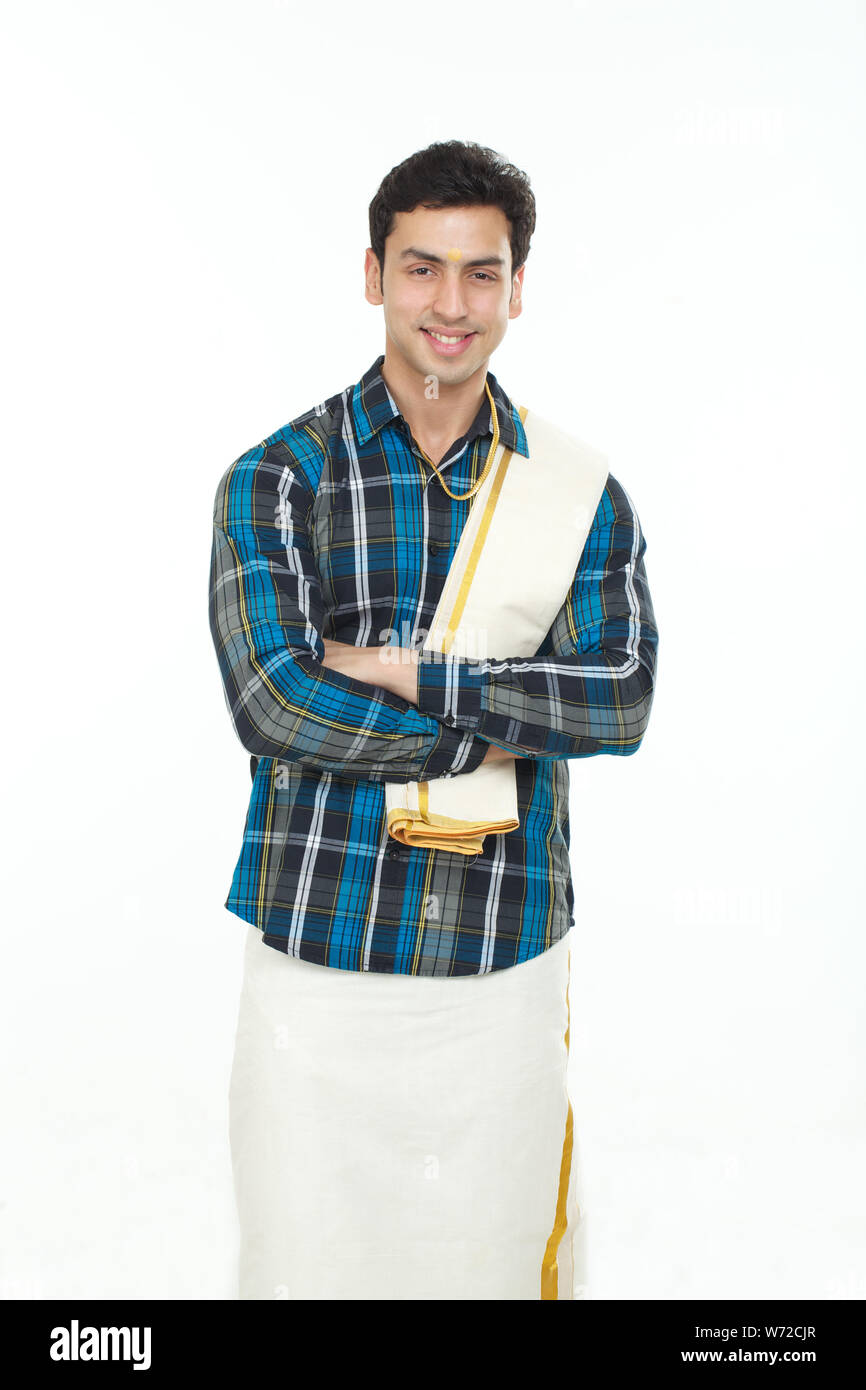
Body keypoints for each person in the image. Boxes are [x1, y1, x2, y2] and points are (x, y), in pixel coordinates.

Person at [208, 139, 659, 1300]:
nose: (448, 305)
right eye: (420, 269)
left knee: (494, 1271)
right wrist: (505, 719)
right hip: (320, 947)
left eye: (478, 274)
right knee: (302, 1266)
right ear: (372, 275)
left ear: (516, 288)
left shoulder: (577, 492)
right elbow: (273, 702)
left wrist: (418, 677)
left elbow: (618, 699)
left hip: (499, 951)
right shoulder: (277, 479)